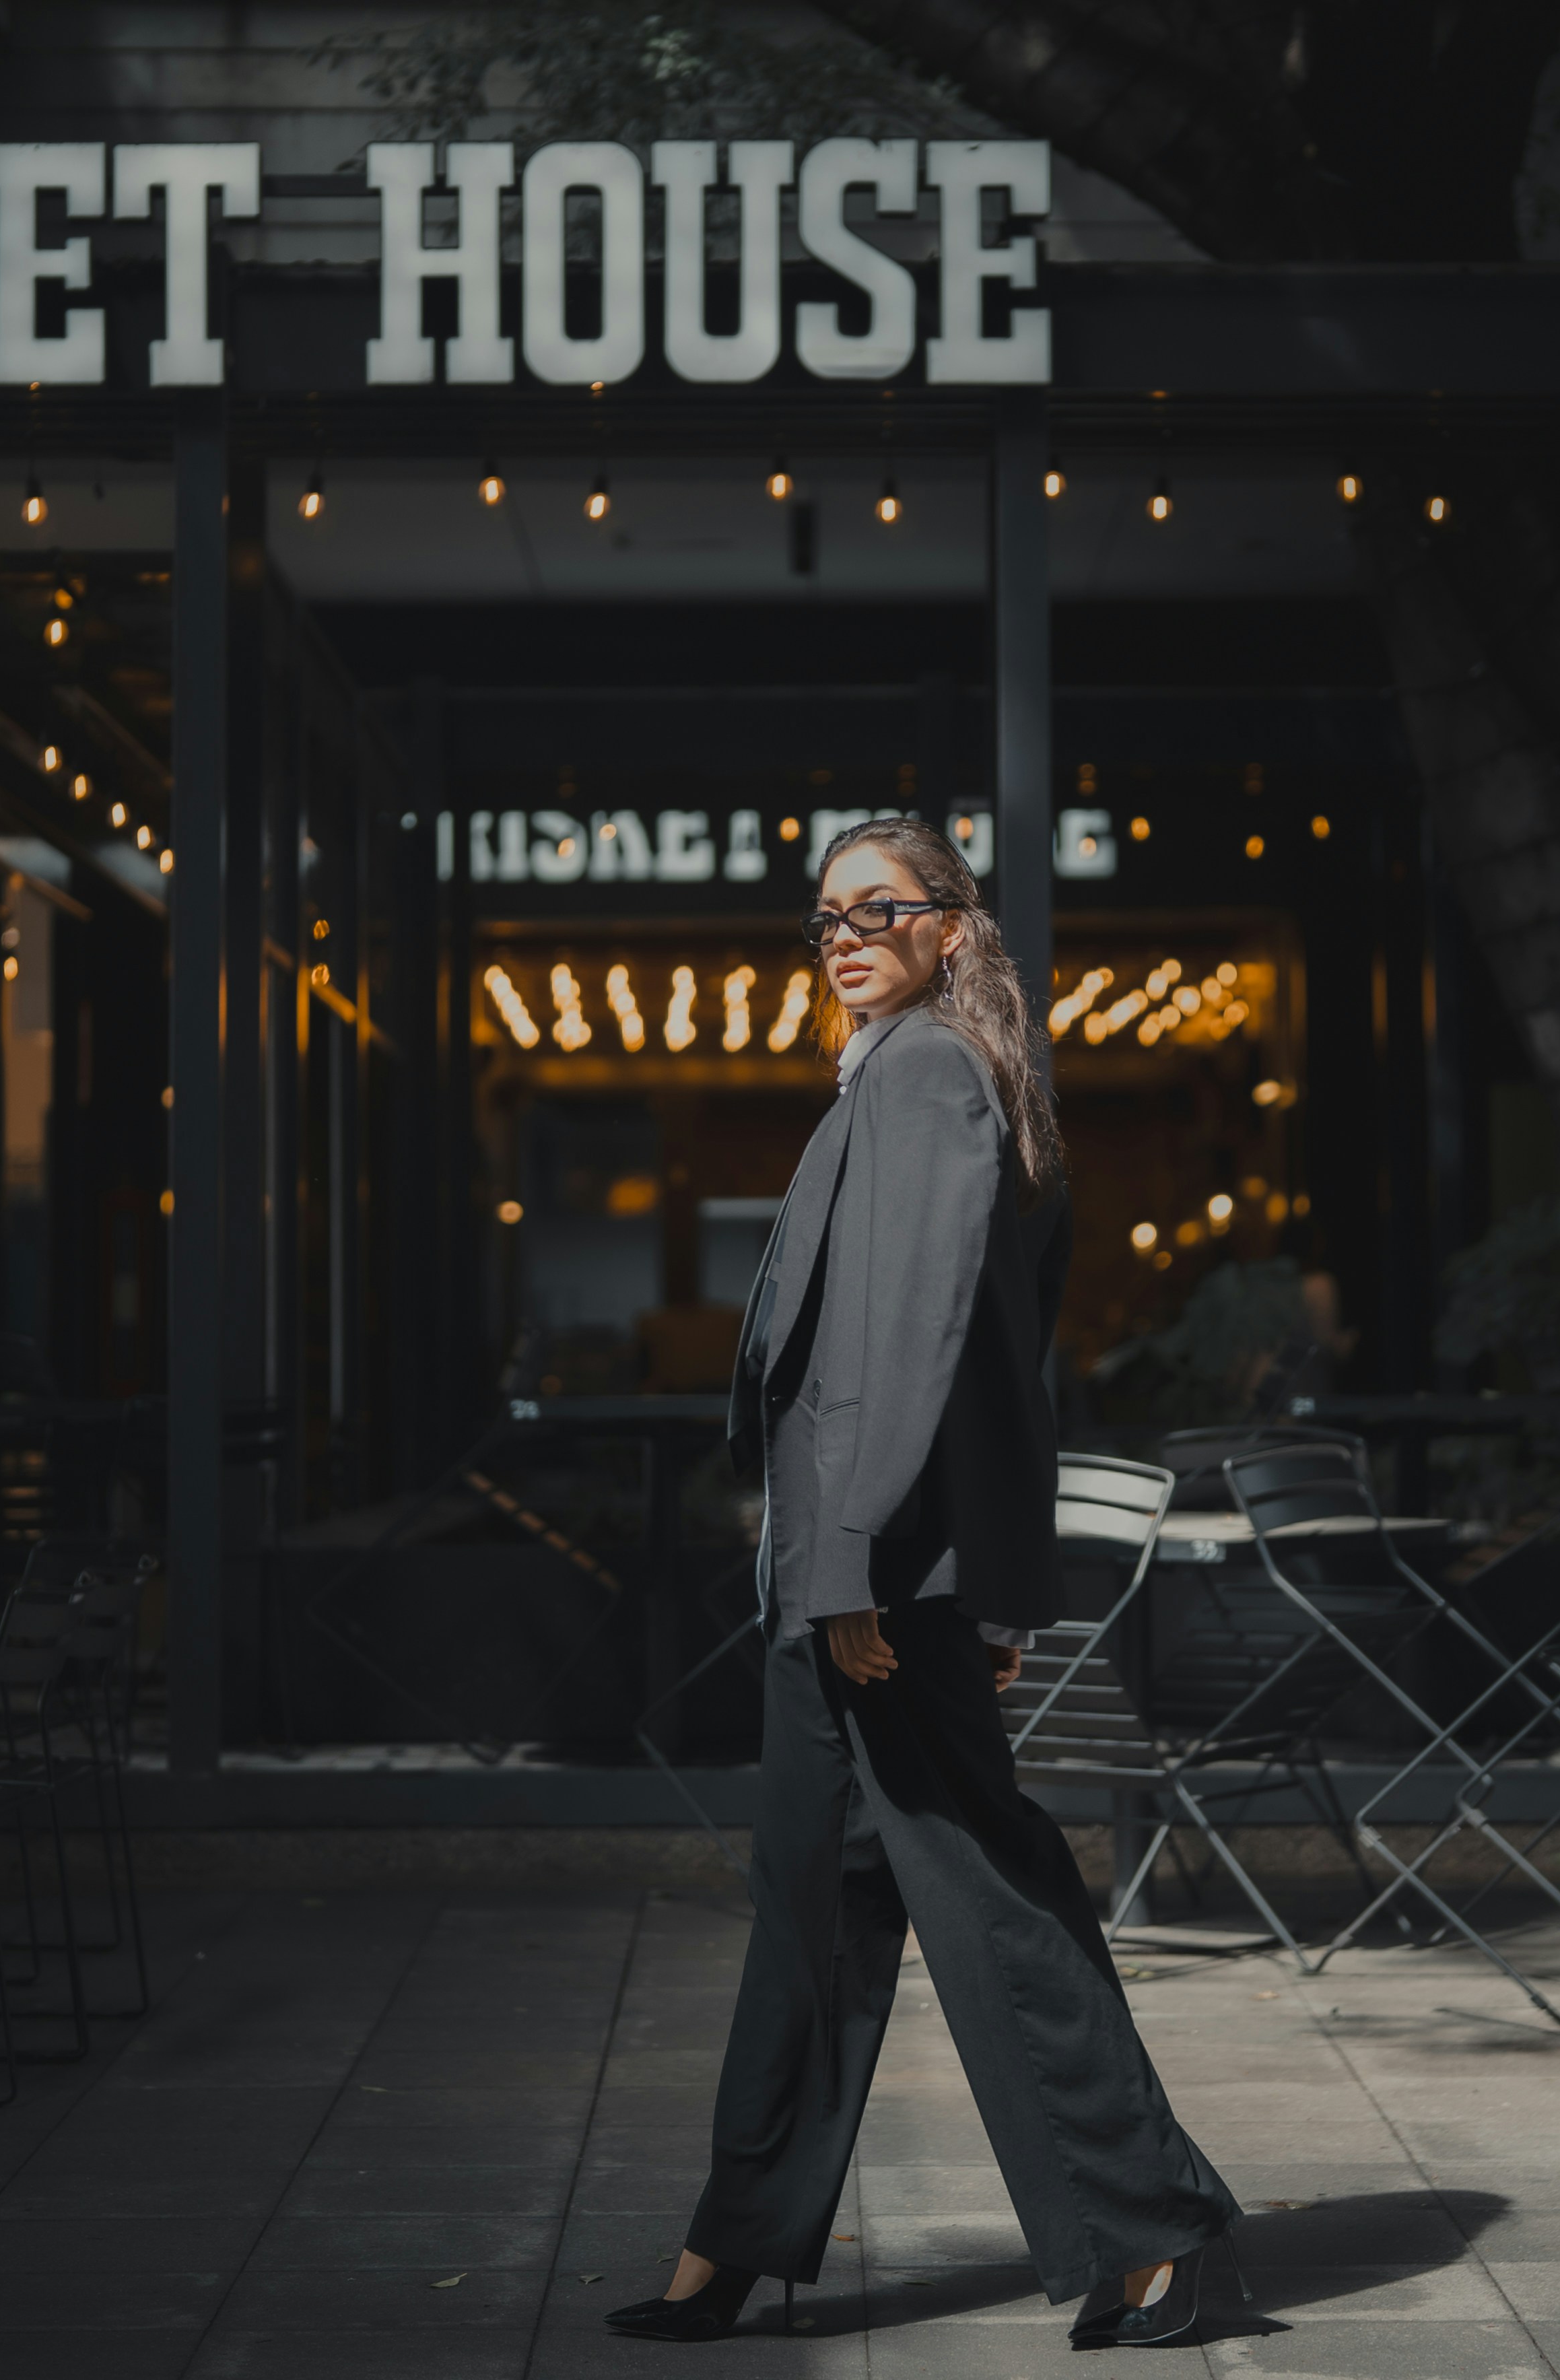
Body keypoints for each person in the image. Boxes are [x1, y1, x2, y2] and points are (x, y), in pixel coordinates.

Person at [607, 818, 1241, 2351]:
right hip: (860, 1570)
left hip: (872, 1579)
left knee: (988, 1895)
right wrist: (965, 1582)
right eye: (825, 917)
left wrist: (854, 1570)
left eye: (877, 910)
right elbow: (1002, 1359)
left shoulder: (925, 1077)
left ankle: (1155, 2234)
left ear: (952, 926)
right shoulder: (944, 1078)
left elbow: (921, 1350)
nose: (842, 937)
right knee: (810, 1913)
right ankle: (733, 2240)